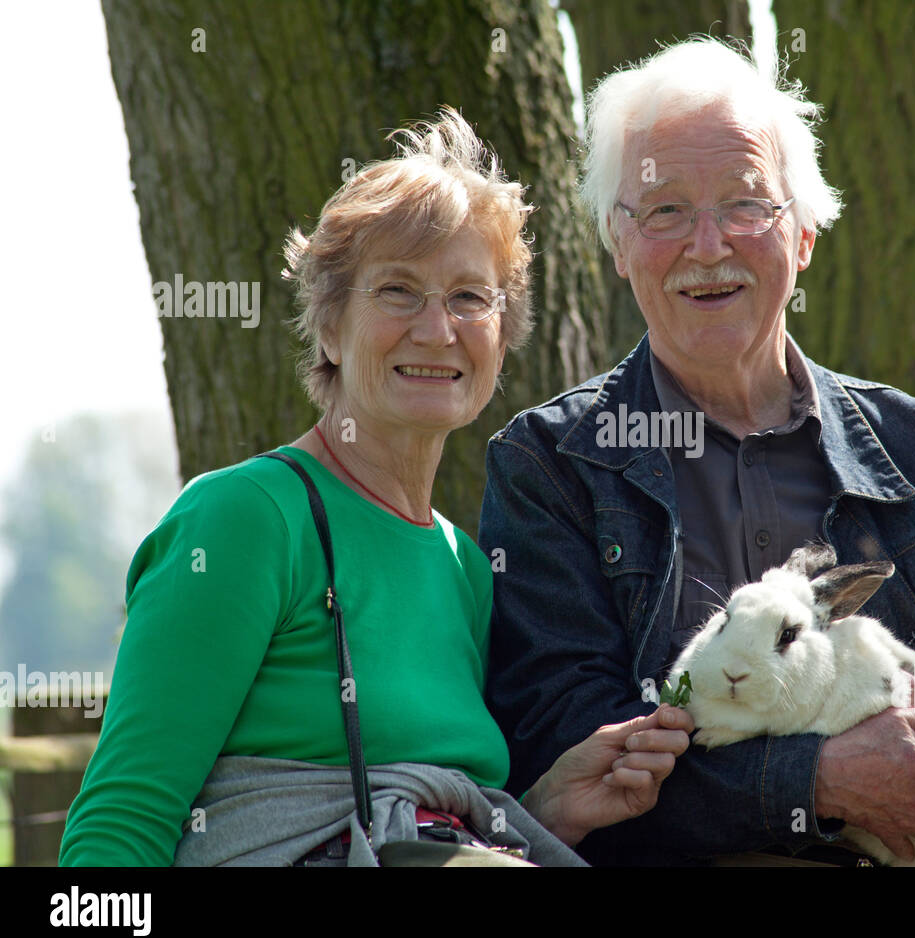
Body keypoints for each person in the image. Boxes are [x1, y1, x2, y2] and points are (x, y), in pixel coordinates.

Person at [478, 40, 915, 866]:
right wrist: (812, 779)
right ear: (616, 243)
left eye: (746, 205)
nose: (707, 245)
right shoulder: (552, 466)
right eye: (665, 210)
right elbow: (560, 752)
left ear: (806, 234)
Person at [59, 109, 691, 867]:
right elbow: (123, 819)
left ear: (502, 333)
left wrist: (548, 807)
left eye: (468, 298)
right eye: (397, 291)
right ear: (329, 327)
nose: (437, 329)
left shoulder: (465, 568)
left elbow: (415, 827)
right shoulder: (247, 519)